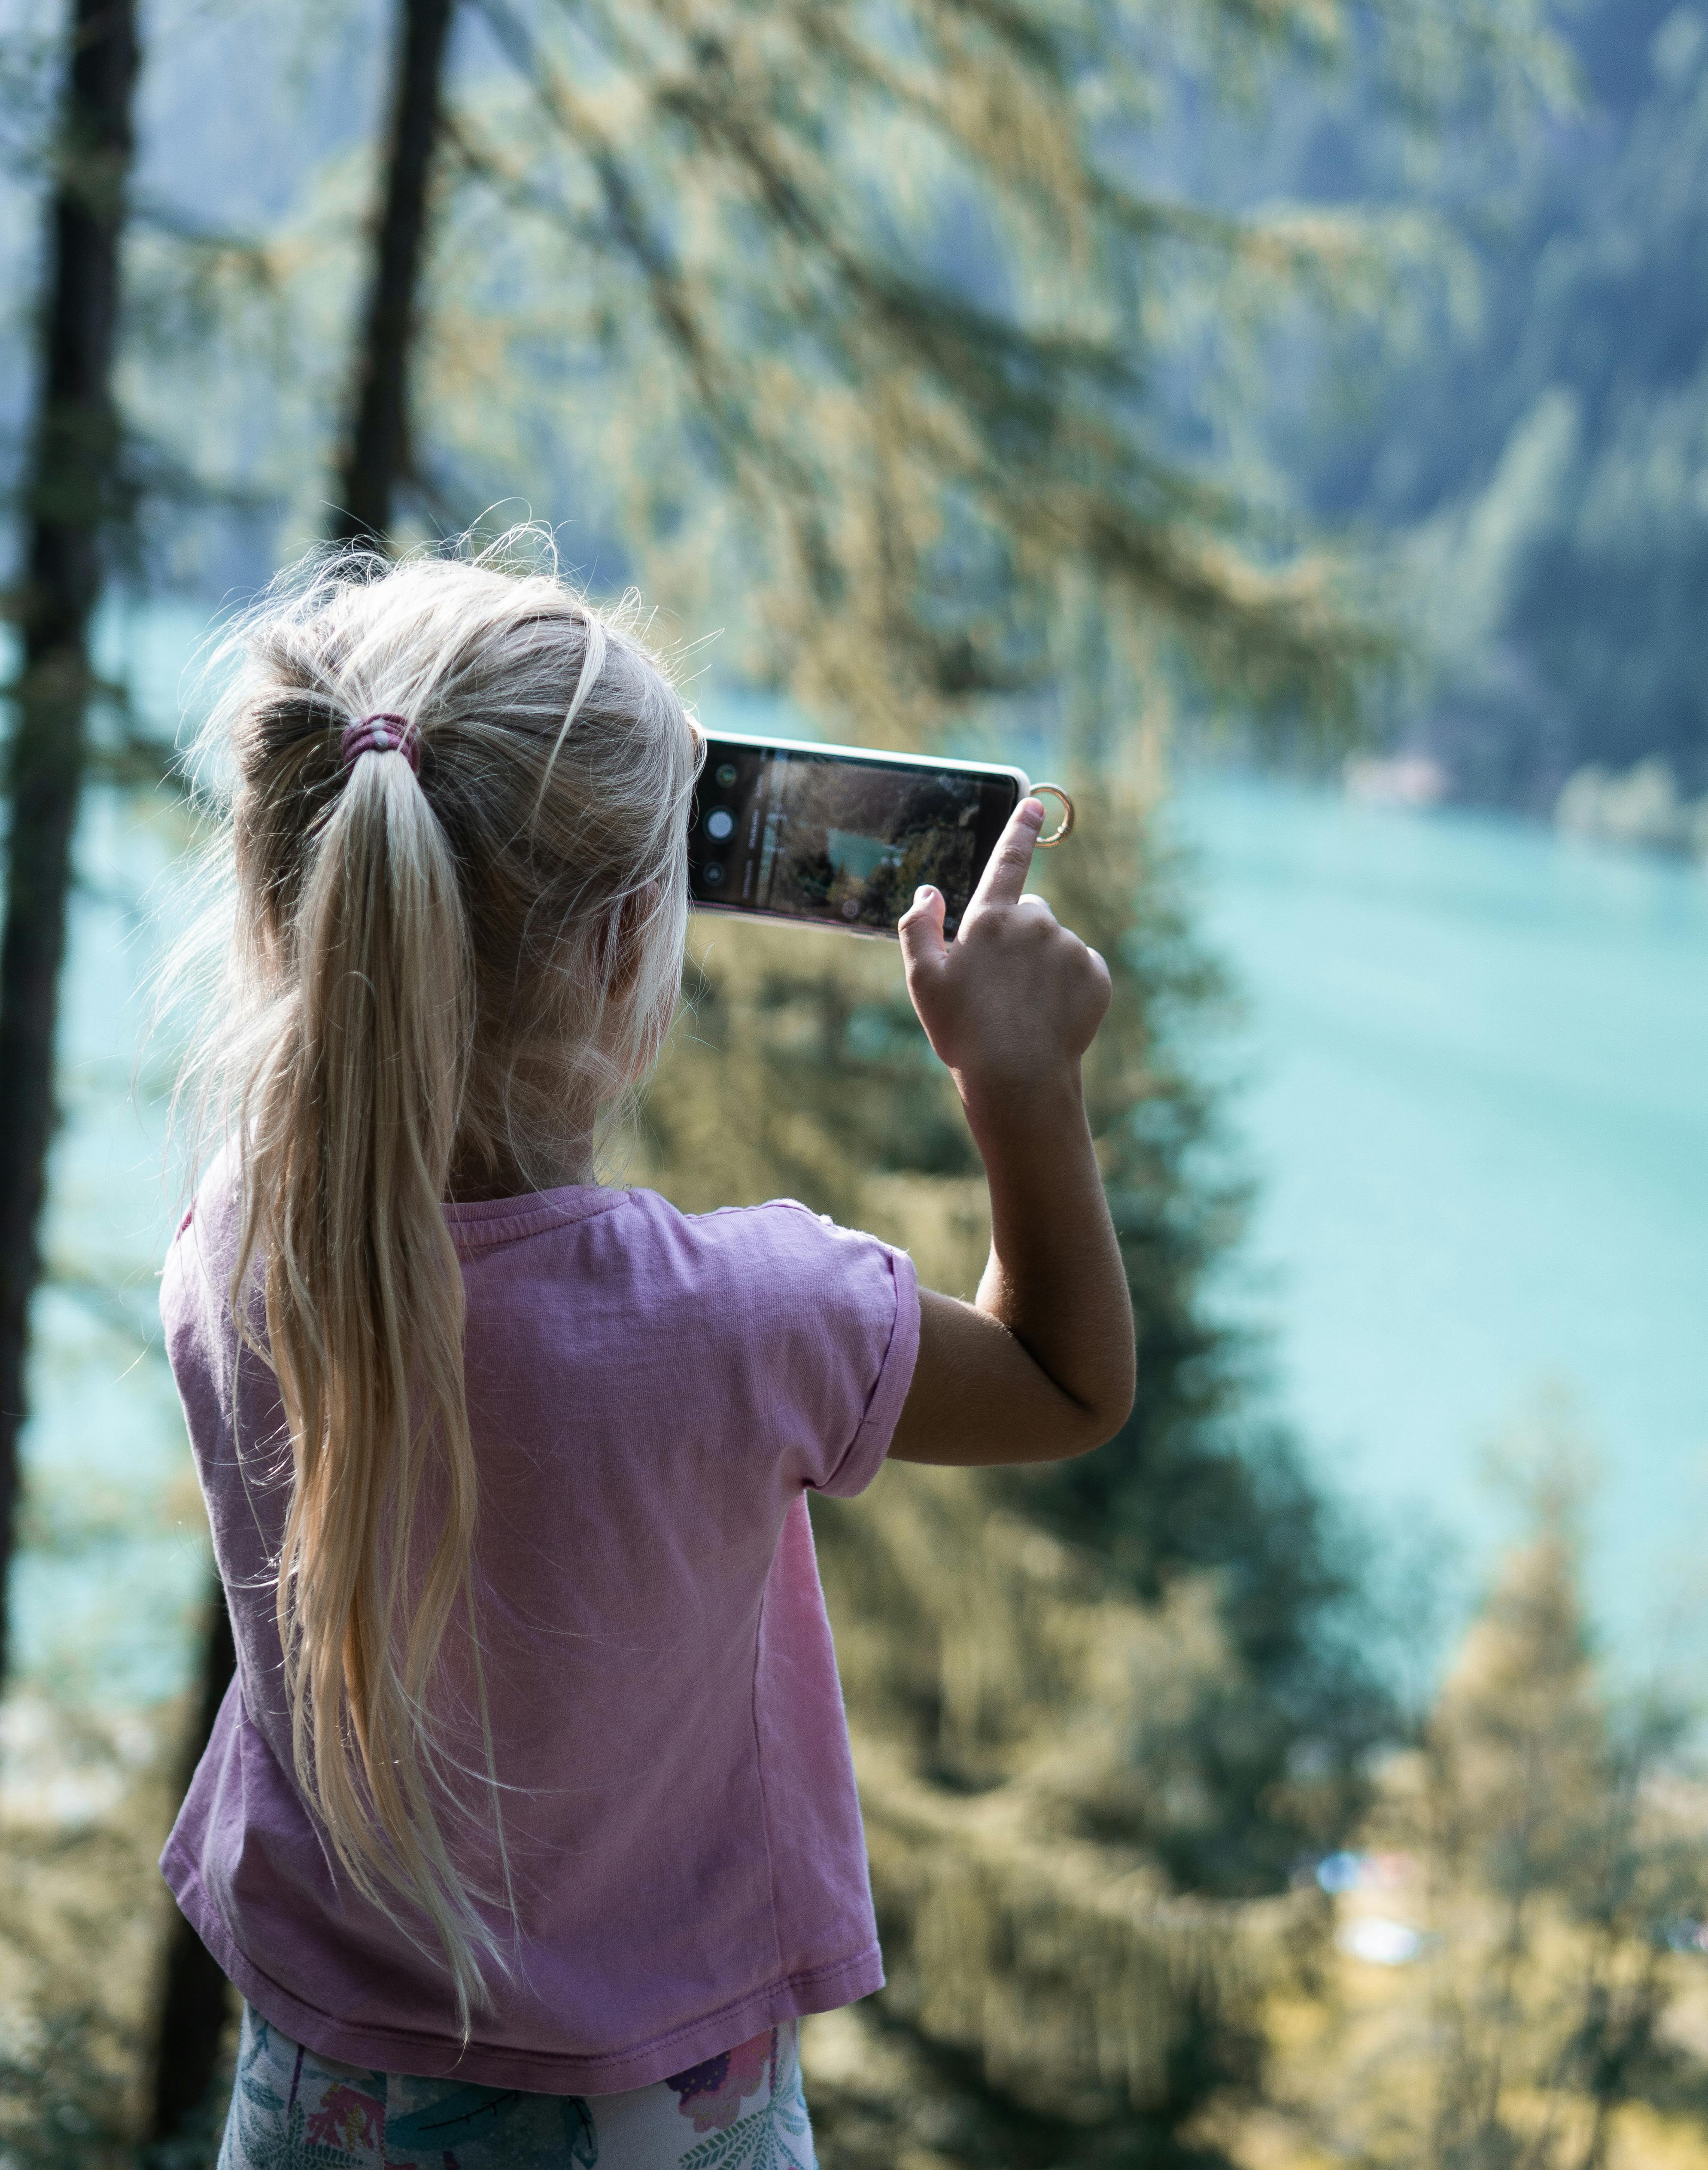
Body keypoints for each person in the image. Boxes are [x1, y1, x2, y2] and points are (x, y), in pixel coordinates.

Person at [161, 544, 1134, 2170]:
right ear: (630, 964)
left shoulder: (234, 1258)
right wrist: (1018, 1085)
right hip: (661, 2118)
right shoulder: (749, 1320)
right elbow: (1066, 1379)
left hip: (319, 2100)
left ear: (298, 905)